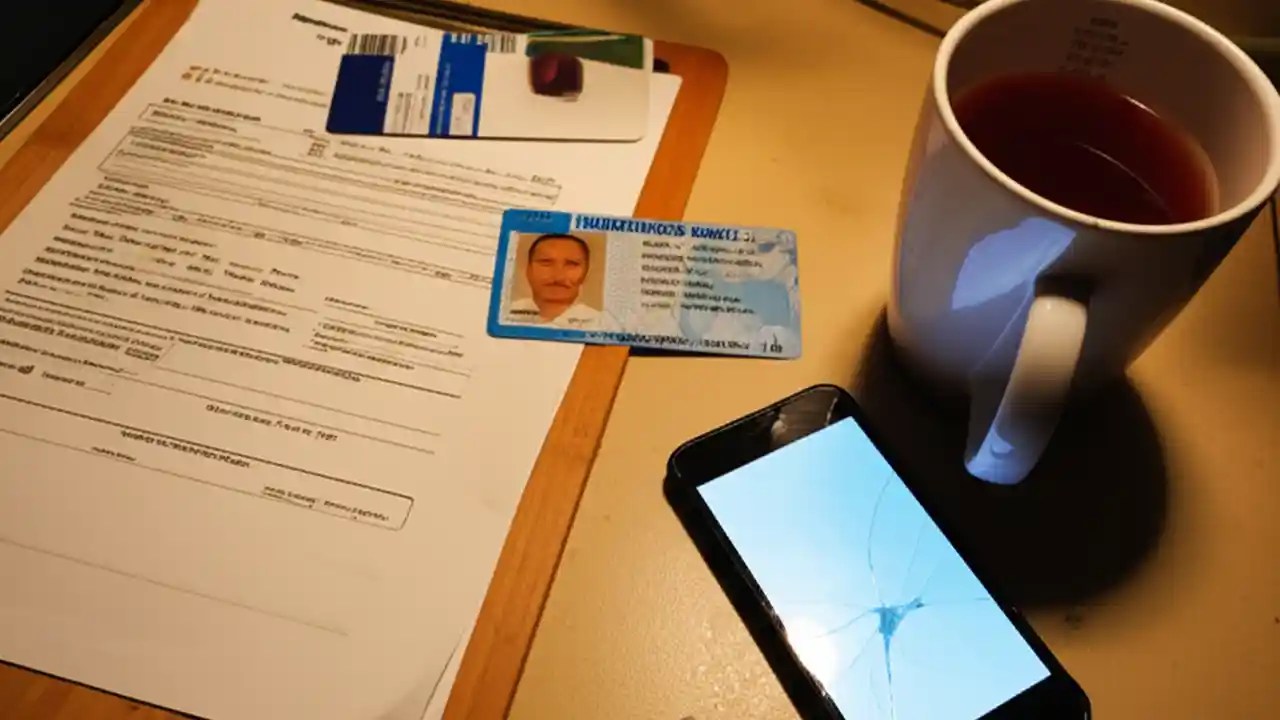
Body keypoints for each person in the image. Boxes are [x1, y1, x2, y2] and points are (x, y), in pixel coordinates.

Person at [509, 233, 601, 327]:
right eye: (546, 263)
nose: (558, 277)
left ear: (586, 272)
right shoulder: (506, 314)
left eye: (571, 264)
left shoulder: (600, 323)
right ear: (528, 270)